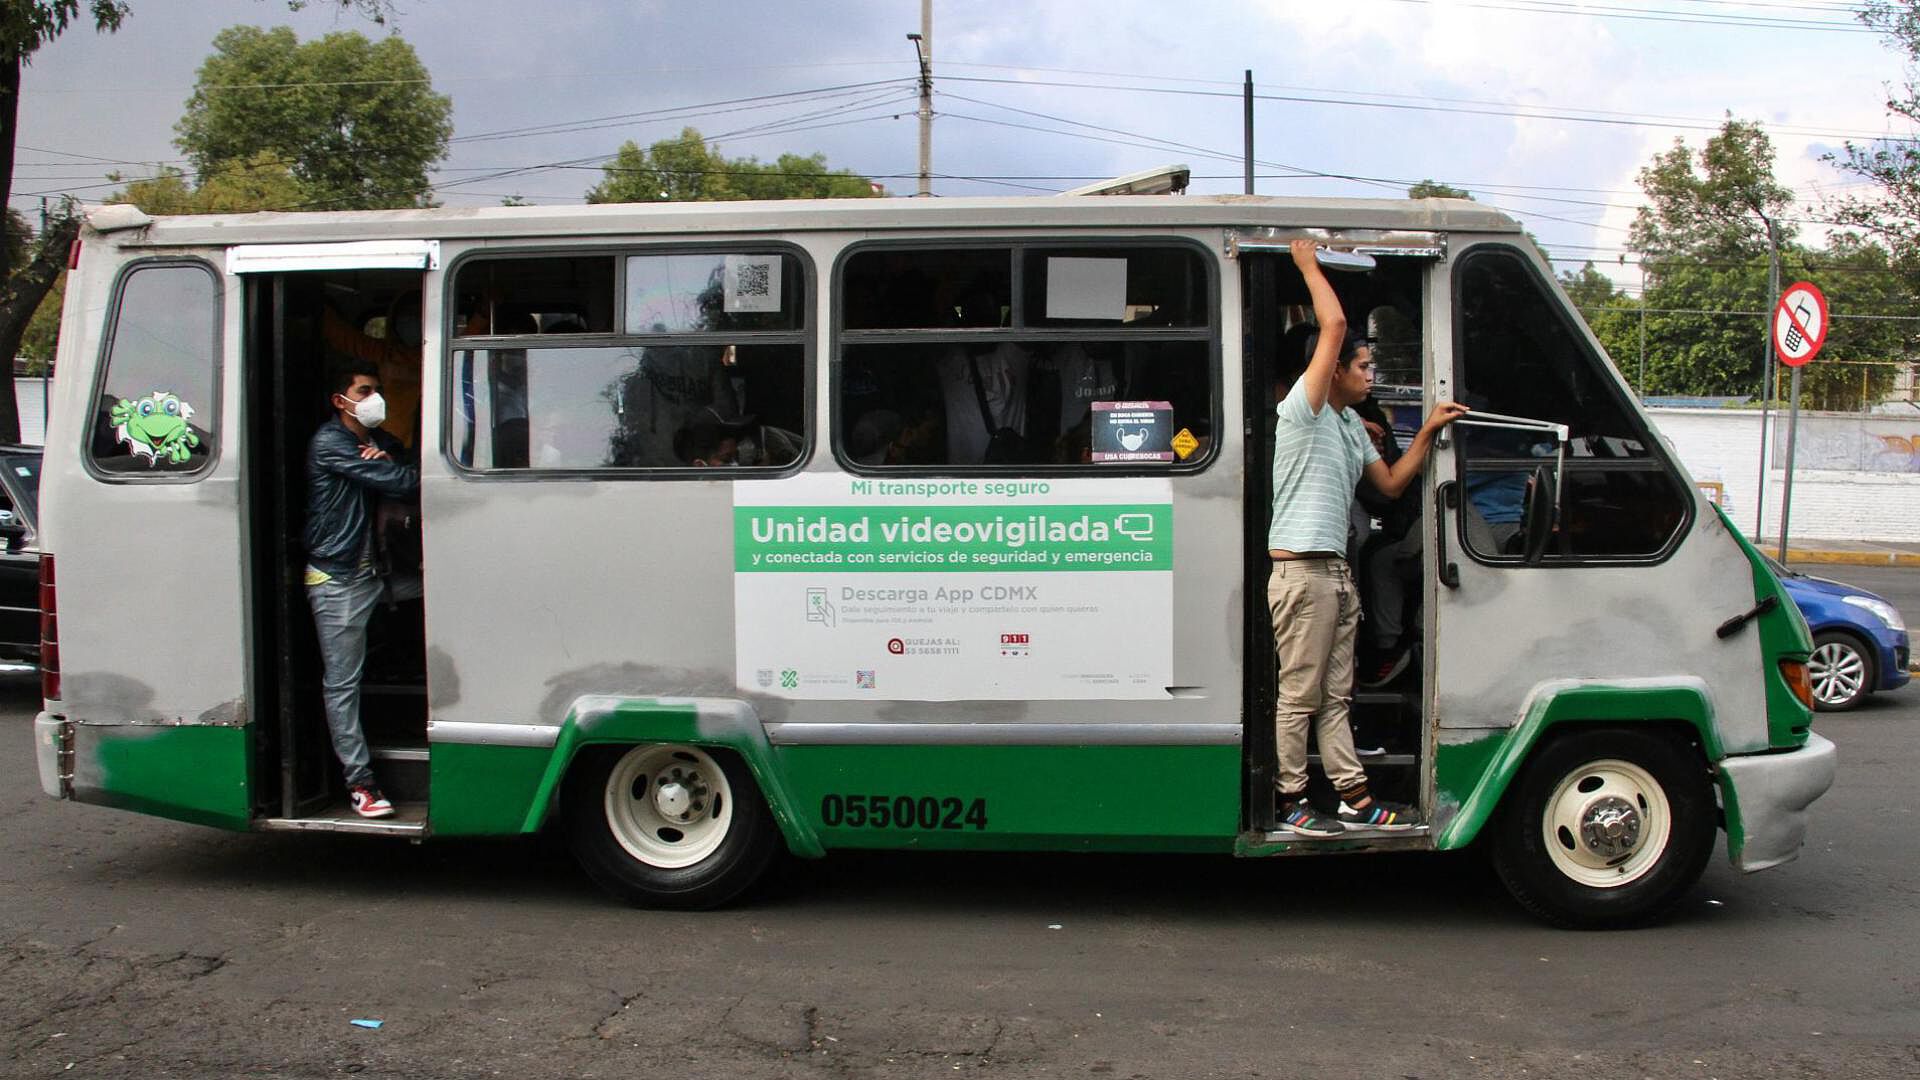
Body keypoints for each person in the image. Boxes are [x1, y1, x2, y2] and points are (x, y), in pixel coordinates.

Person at [1267, 239, 1466, 838]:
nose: (1369, 374)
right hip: (1302, 573)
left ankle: (1353, 795)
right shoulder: (1304, 409)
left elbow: (1390, 484)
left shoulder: (1352, 425)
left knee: (1335, 695)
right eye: (1362, 366)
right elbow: (1332, 323)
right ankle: (1290, 799)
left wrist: (1427, 430)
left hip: (1334, 573)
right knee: (1300, 695)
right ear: (1331, 372)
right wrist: (1306, 264)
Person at [304, 362, 422, 819]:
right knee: (342, 683)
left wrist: (390, 459)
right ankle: (361, 783)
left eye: (378, 389)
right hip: (340, 577)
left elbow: (410, 463)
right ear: (341, 401)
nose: (376, 398)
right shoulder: (331, 444)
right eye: (365, 391)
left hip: (382, 573)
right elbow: (406, 482)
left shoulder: (379, 441)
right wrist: (392, 468)